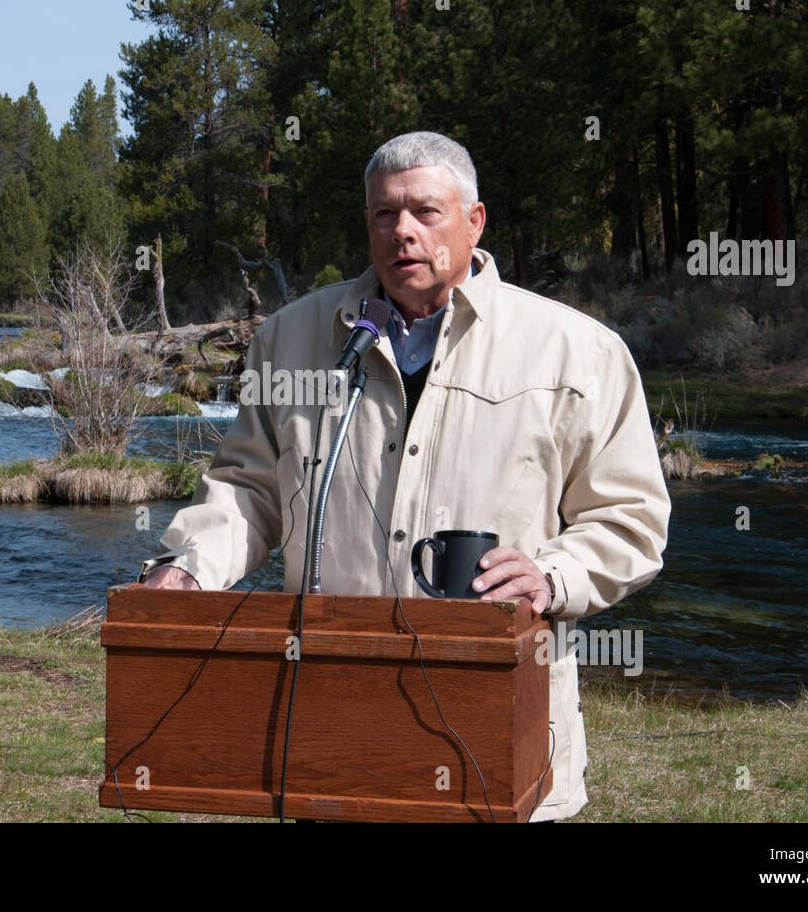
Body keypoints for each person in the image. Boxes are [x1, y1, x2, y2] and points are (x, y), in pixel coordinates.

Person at [138, 130, 671, 821]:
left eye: (425, 212)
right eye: (385, 215)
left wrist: (555, 576)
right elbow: (250, 488)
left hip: (495, 725)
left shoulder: (578, 352)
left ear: (474, 221)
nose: (403, 233)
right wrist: (190, 565)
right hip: (333, 718)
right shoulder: (292, 339)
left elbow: (631, 518)